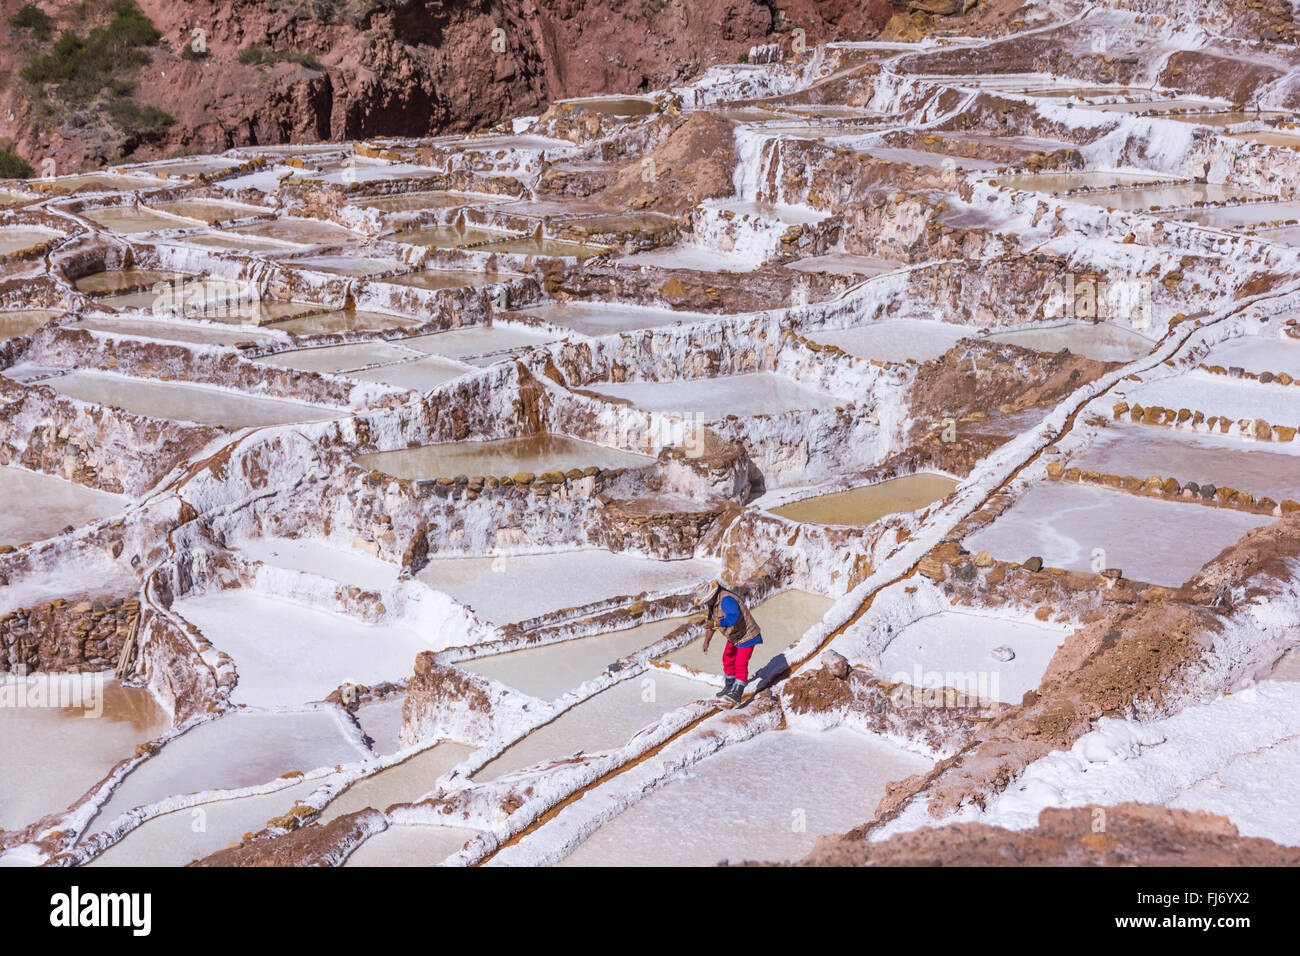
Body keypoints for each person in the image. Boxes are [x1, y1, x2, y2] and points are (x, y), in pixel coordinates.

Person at [695, 579, 762, 705]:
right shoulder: (712, 605)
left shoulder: (726, 600)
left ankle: (737, 693)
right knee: (727, 657)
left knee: (740, 663)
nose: (705, 603)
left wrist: (715, 623)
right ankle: (729, 687)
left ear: (712, 595)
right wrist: (706, 642)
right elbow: (711, 625)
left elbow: (733, 618)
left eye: (705, 600)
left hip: (747, 635)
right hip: (735, 636)